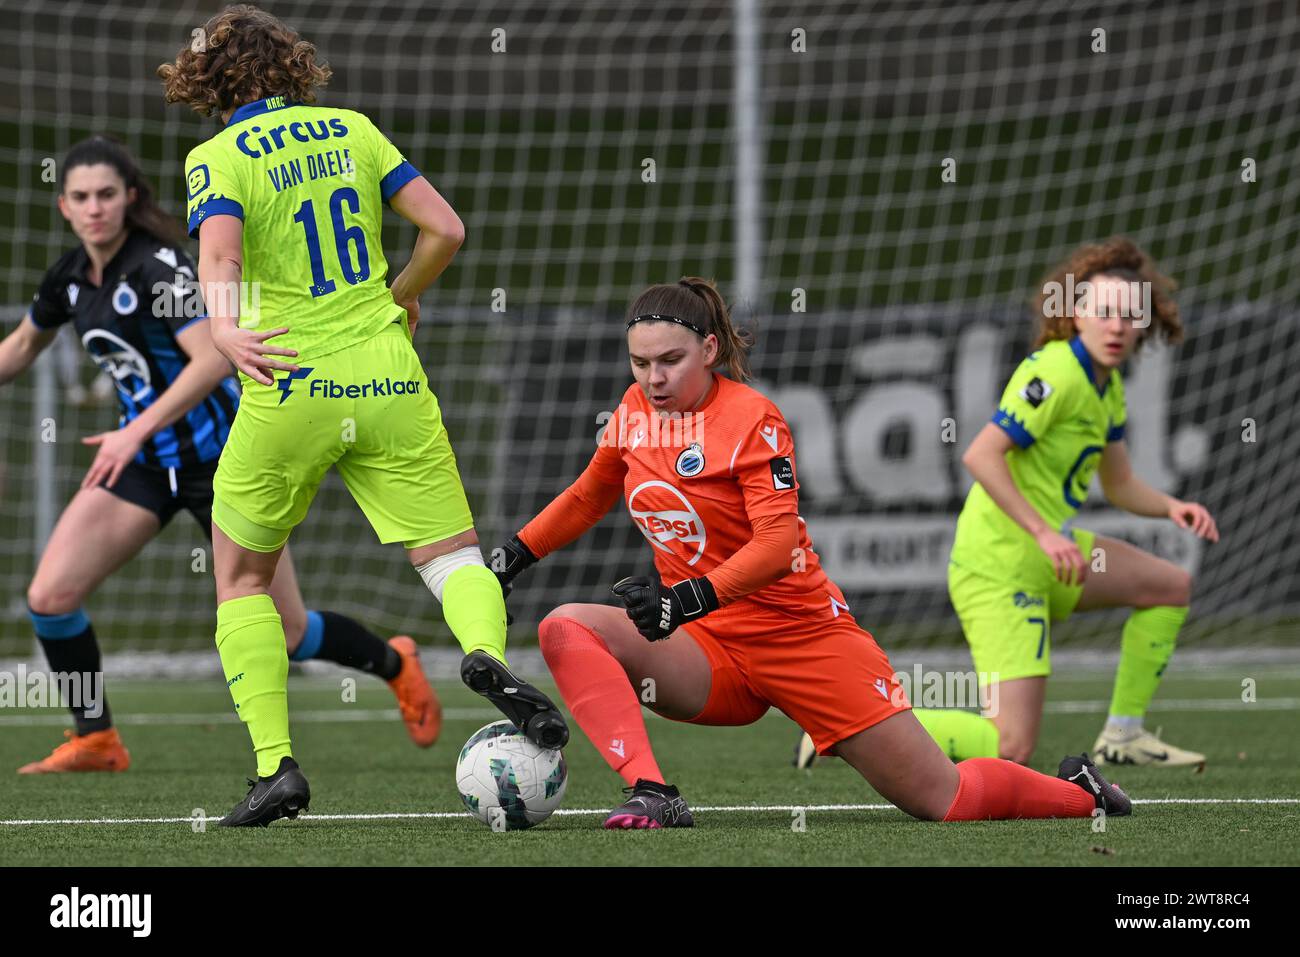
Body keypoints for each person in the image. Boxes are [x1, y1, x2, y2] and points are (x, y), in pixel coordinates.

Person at [491, 276, 1132, 828]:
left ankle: (1082, 793)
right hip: (707, 650)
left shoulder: (753, 419)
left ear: (710, 349)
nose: (653, 379)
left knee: (946, 801)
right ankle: (654, 794)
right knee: (567, 627)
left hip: (802, 638)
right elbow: (587, 495)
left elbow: (776, 547)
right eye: (640, 363)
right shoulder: (634, 410)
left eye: (671, 360)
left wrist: (682, 599)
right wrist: (513, 559)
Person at [158, 4, 567, 826]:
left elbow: (221, 254)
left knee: (240, 576)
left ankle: (276, 766)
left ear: (207, 81)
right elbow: (445, 228)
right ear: (292, 66)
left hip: (290, 378)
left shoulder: (219, 155)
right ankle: (487, 655)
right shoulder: (352, 129)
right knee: (451, 556)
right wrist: (399, 295)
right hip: (389, 376)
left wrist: (228, 327)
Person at [0, 134, 440, 776]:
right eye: (80, 197)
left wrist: (132, 429)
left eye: (106, 194)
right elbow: (17, 348)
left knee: (286, 634)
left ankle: (395, 662)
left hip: (224, 461)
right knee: (51, 596)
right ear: (64, 206)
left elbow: (212, 357)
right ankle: (96, 738)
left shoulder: (160, 270)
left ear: (129, 199)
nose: (94, 208)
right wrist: (136, 439)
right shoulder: (69, 280)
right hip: (147, 467)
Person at [933, 236, 1217, 768]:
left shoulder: (1106, 388)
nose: (1116, 326)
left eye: (1128, 317)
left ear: (1142, 324)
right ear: (1076, 316)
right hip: (999, 566)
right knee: (1011, 746)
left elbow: (1120, 485)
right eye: (1103, 313)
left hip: (1051, 558)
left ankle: (1124, 736)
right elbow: (981, 455)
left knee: (1169, 586)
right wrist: (1043, 532)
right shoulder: (1056, 372)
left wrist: (1171, 507)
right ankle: (856, 724)